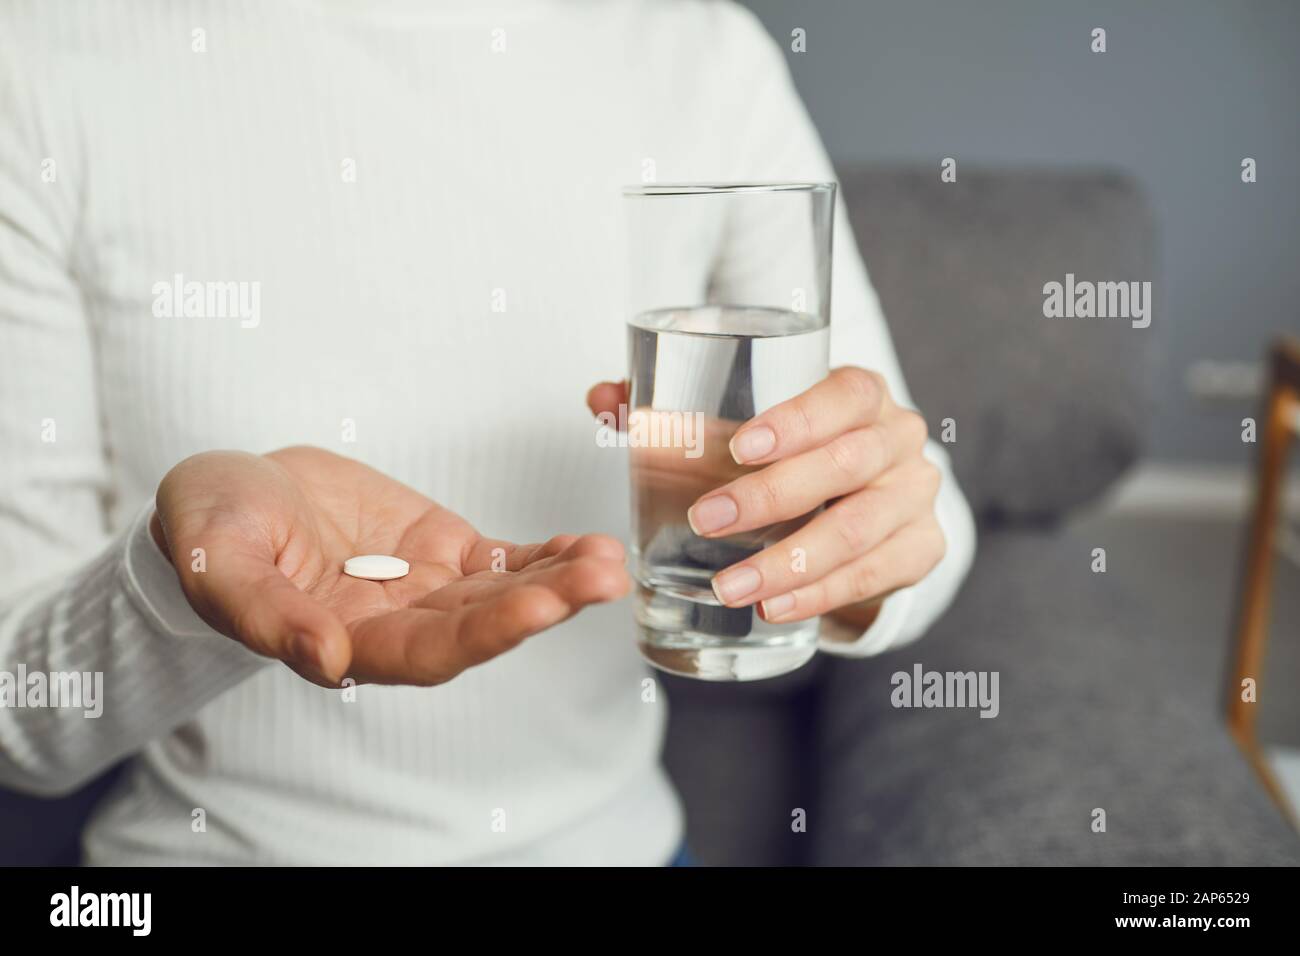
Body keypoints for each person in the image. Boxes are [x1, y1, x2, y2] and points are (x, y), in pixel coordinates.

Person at [0, 0, 974, 865]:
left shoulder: (699, 55)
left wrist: (856, 542)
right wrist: (187, 568)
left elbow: (923, 513)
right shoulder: (40, 61)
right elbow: (18, 719)